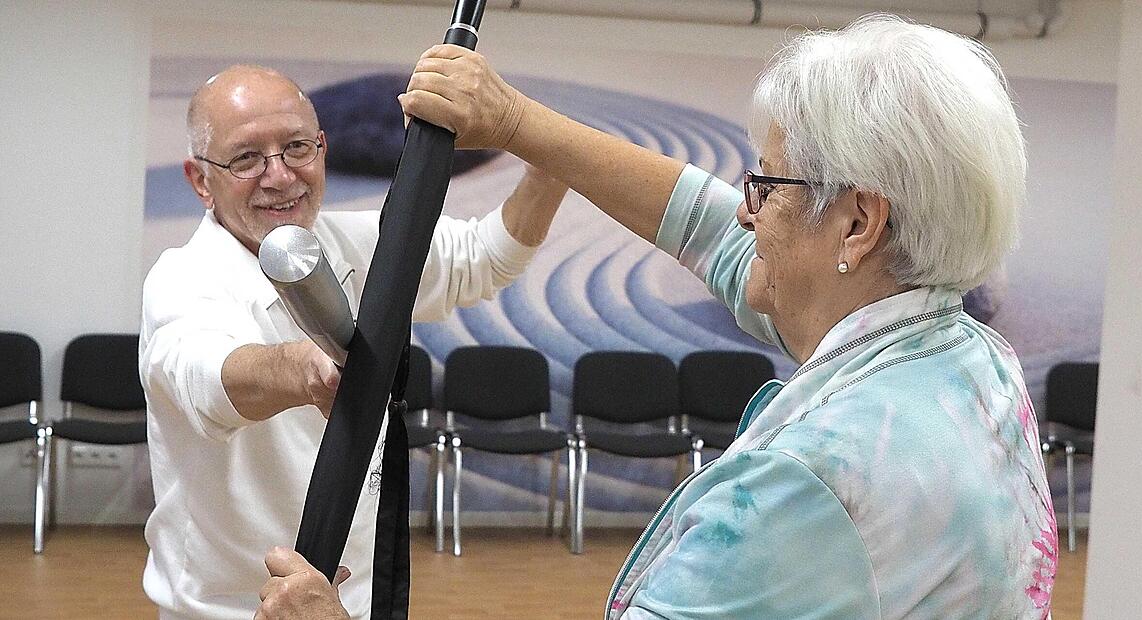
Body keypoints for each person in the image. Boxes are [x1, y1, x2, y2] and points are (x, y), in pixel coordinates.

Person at [264, 14, 1058, 619]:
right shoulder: (968, 364)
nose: (745, 216)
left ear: (857, 224)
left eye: (766, 187)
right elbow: (708, 225)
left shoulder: (809, 481)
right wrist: (513, 123)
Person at [139, 64, 568, 620]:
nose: (280, 176)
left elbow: (481, 259)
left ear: (322, 148)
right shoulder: (181, 280)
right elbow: (204, 375)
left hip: (356, 601)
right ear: (200, 180)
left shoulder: (359, 243)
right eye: (246, 158)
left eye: (297, 148)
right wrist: (302, 369)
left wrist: (551, 169)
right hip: (225, 610)